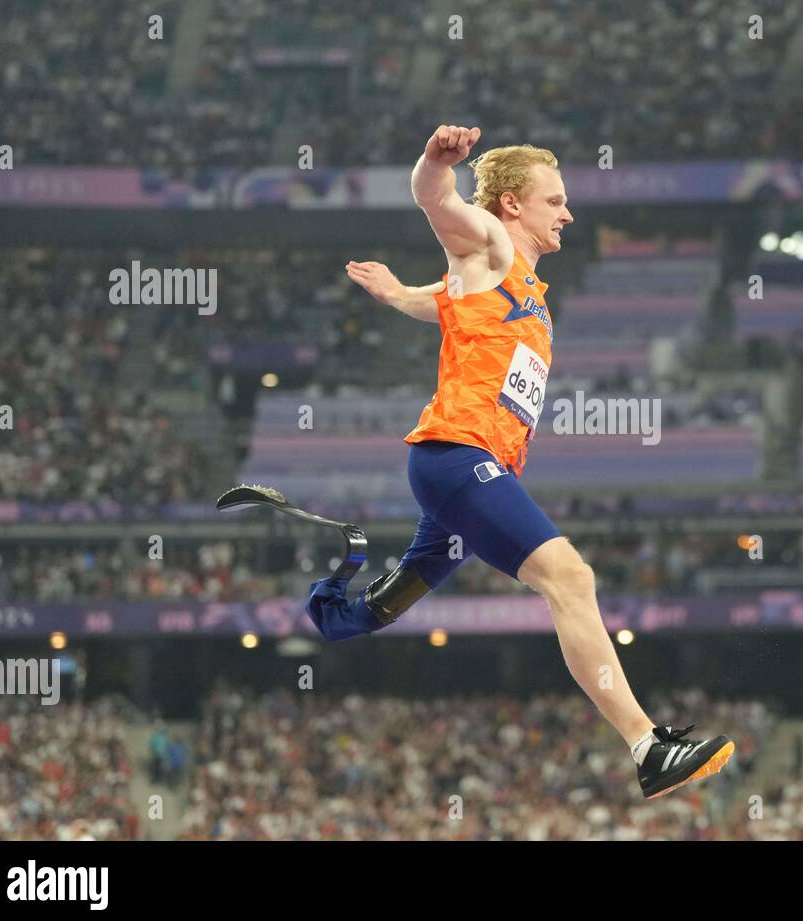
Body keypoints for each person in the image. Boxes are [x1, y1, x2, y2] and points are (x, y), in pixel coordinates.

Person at [305, 125, 733, 799]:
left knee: (410, 585)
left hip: (474, 464)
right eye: (555, 201)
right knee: (571, 578)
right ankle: (648, 746)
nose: (568, 214)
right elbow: (436, 201)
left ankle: (341, 615)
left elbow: (441, 300)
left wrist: (394, 294)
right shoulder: (490, 243)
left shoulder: (507, 281)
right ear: (511, 205)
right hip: (458, 455)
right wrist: (434, 163)